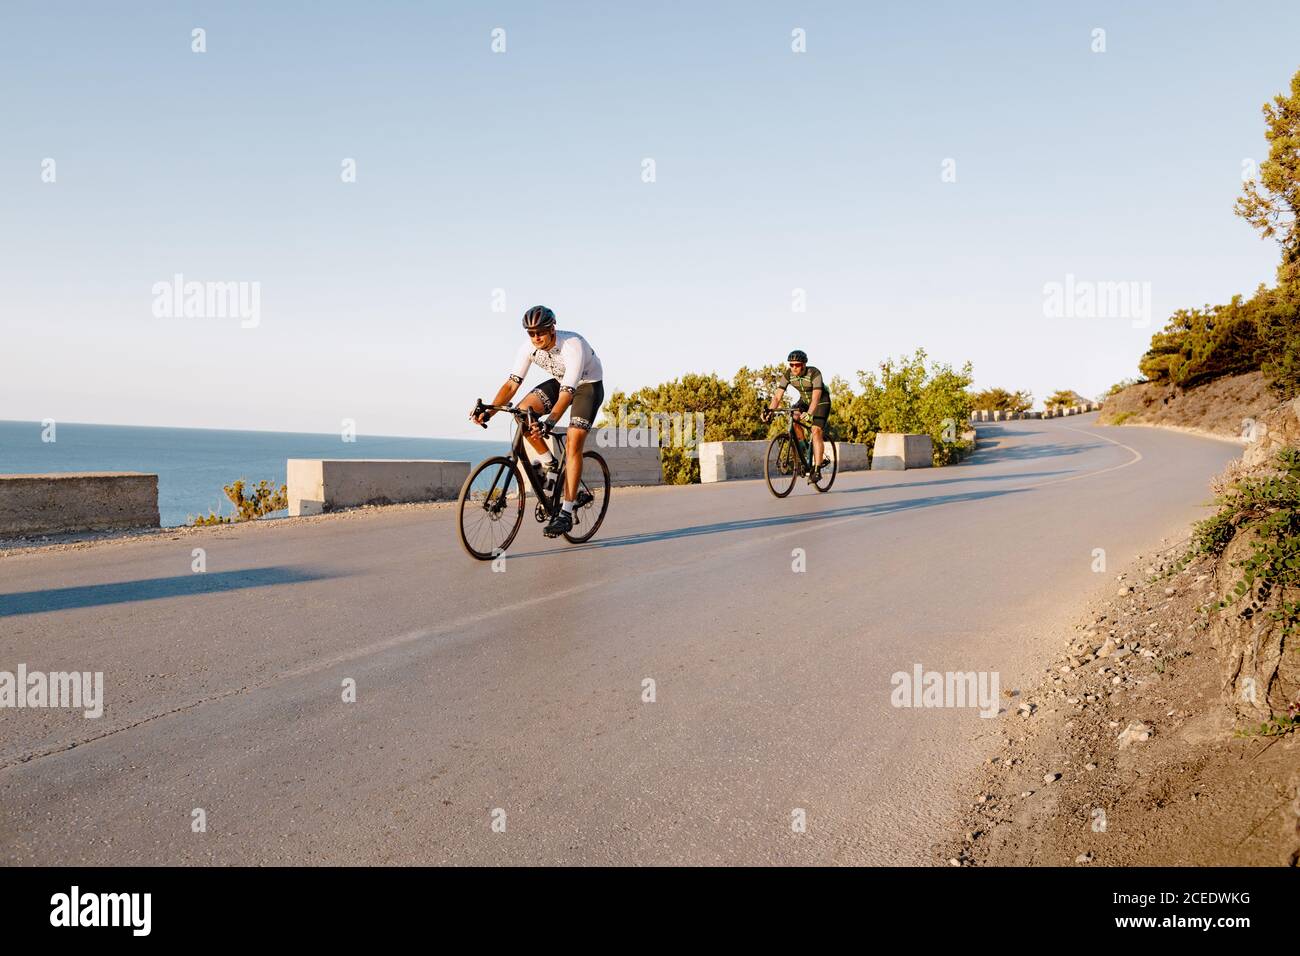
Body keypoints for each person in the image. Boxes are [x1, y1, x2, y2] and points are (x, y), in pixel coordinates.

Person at [471, 305, 605, 537]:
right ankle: (550, 463)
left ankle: (565, 512)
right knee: (523, 412)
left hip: (587, 386)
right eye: (531, 333)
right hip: (560, 381)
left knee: (574, 443)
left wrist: (549, 423)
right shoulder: (528, 348)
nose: (536, 337)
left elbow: (567, 394)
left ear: (552, 328)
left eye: (540, 332)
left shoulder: (572, 346)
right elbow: (512, 384)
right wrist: (489, 413)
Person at [766, 350, 832, 480]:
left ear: (803, 365)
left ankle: (817, 470)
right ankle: (804, 448)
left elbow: (816, 398)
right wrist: (769, 411)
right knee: (794, 417)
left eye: (797, 365)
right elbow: (777, 397)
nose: (794, 368)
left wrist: (809, 413)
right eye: (791, 365)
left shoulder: (814, 373)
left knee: (815, 430)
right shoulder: (788, 375)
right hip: (804, 401)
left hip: (820, 401)